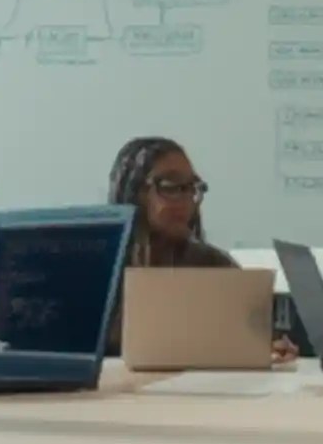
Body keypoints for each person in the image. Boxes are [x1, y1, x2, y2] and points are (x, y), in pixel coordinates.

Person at [106, 136, 296, 361]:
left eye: (191, 188)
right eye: (170, 187)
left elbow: (263, 344)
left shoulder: (215, 268)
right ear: (133, 192)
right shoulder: (99, 268)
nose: (187, 200)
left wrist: (275, 349)